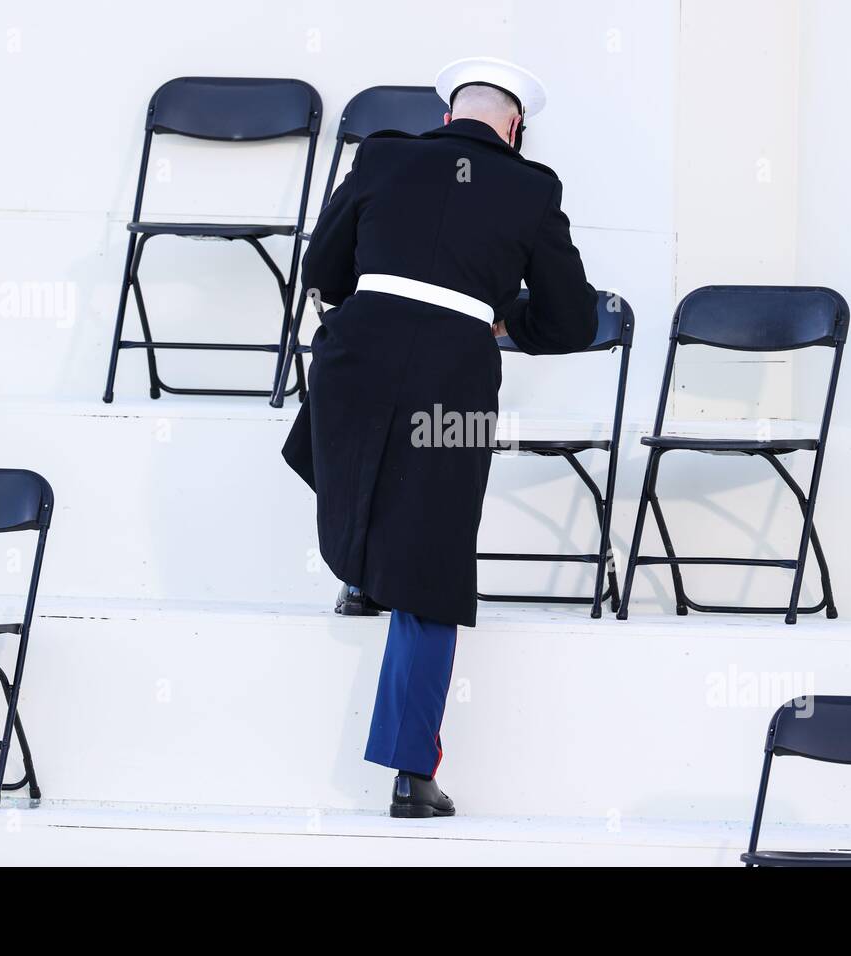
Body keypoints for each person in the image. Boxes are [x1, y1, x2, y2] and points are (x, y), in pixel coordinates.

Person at [283, 56, 597, 818]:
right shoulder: (532, 187)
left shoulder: (383, 153)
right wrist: (502, 316)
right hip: (450, 381)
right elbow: (573, 322)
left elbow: (321, 270)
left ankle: (360, 575)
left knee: (332, 440)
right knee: (432, 564)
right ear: (515, 126)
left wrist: (363, 309)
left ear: (450, 111)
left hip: (354, 359)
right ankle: (409, 774)